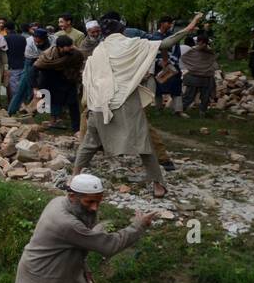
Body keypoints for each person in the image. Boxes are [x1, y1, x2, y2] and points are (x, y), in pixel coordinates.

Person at [12, 173, 156, 283]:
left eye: (98, 201)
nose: (95, 208)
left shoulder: (61, 202)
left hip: (62, 270)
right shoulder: (66, 223)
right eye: (89, 202)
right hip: (43, 277)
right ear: (72, 196)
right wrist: (138, 225)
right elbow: (109, 245)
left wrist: (83, 266)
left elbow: (75, 244)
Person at [75, 12, 200, 198]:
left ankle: (74, 176)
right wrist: (189, 28)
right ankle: (158, 185)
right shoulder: (130, 44)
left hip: (101, 102)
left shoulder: (100, 50)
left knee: (90, 142)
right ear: (122, 31)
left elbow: (89, 77)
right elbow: (165, 44)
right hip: (126, 100)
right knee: (143, 142)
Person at [35, 34, 85, 131]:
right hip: (51, 79)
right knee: (54, 101)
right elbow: (37, 66)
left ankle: (76, 127)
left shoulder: (75, 53)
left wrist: (74, 75)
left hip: (69, 78)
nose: (71, 48)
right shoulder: (48, 56)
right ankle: (54, 121)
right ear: (60, 48)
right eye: (68, 46)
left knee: (73, 102)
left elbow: (78, 63)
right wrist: (35, 86)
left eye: (71, 45)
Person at [179, 33, 219, 116]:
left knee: (205, 97)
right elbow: (184, 58)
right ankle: (181, 110)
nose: (200, 44)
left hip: (206, 76)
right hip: (194, 76)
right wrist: (194, 68)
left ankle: (203, 112)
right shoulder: (192, 50)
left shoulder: (209, 52)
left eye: (201, 42)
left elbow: (212, 60)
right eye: (199, 42)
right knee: (189, 96)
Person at [8, 24, 43, 115]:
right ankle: (12, 111)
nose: (37, 43)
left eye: (40, 42)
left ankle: (36, 110)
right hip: (30, 63)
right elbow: (32, 64)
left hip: (44, 64)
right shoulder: (29, 41)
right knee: (22, 87)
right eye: (36, 42)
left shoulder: (51, 41)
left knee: (41, 87)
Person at [4, 20, 28, 107]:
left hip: (12, 66)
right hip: (23, 65)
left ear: (6, 29)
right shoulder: (22, 38)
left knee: (14, 88)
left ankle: (20, 105)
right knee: (22, 86)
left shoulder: (5, 39)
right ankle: (22, 104)